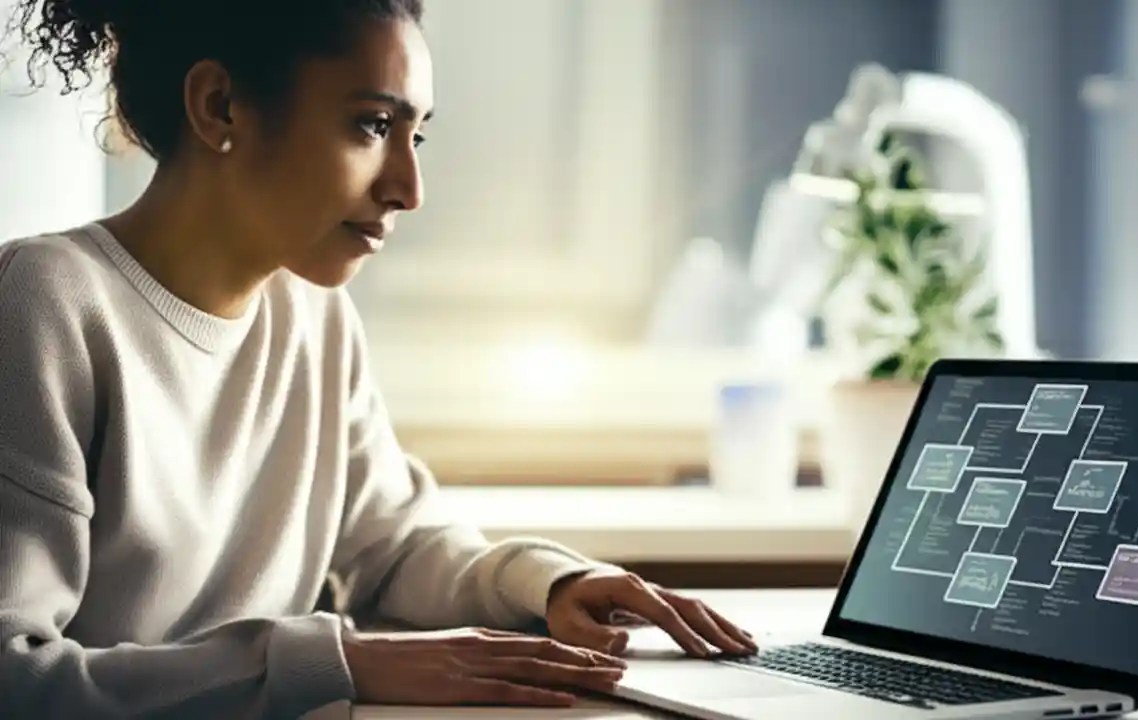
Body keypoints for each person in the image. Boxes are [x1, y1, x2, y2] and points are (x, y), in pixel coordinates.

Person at [0, 1, 758, 716]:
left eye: (416, 135)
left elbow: (394, 547)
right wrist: (340, 660)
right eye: (371, 125)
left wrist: (552, 584)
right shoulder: (46, 303)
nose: (410, 188)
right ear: (219, 105)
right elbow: (15, 674)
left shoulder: (315, 315)